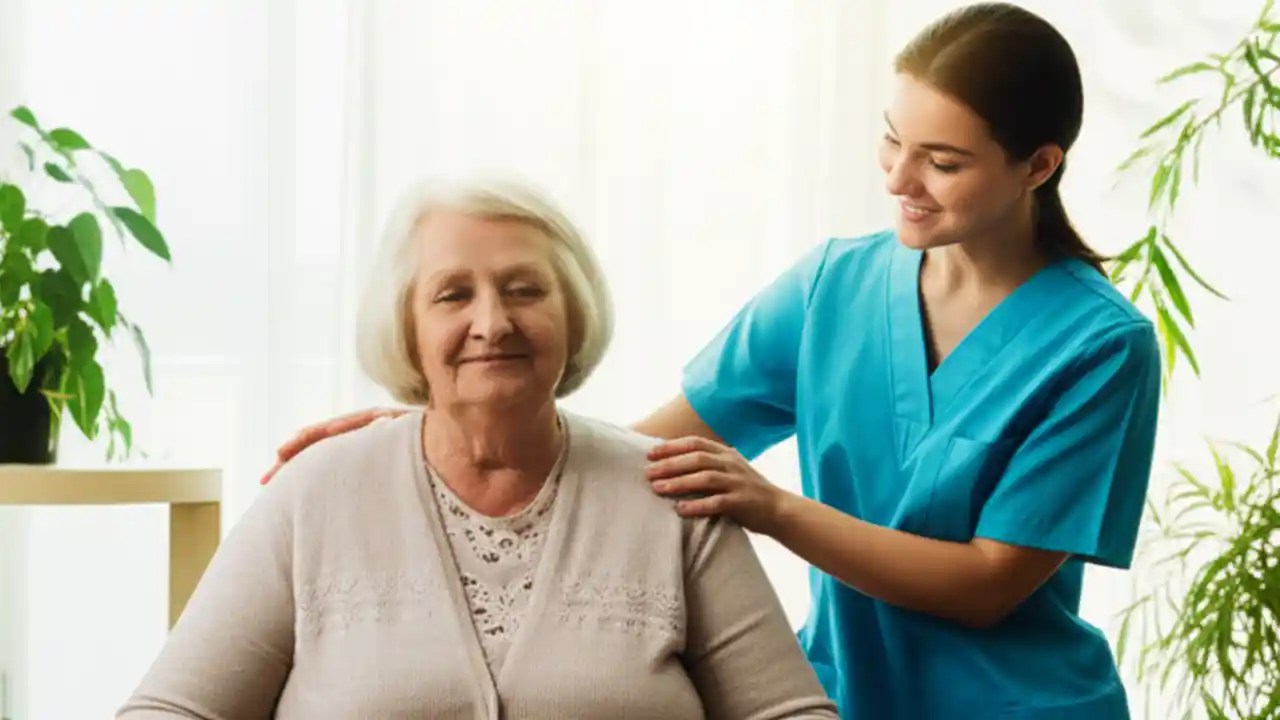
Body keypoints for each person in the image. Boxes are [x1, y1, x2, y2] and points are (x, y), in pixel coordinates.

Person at [263, 4, 1162, 718]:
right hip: (840, 703)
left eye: (942, 161)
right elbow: (631, 453)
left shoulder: (1098, 348)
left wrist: (772, 509)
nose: (897, 179)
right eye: (892, 139)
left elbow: (986, 586)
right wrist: (449, 427)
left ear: (1038, 165)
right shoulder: (831, 290)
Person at [118, 180, 838, 719]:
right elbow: (174, 710)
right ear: (404, 326)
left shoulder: (669, 499)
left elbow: (788, 714)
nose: (492, 322)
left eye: (524, 289)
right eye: (452, 295)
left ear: (574, 312)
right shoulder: (315, 495)